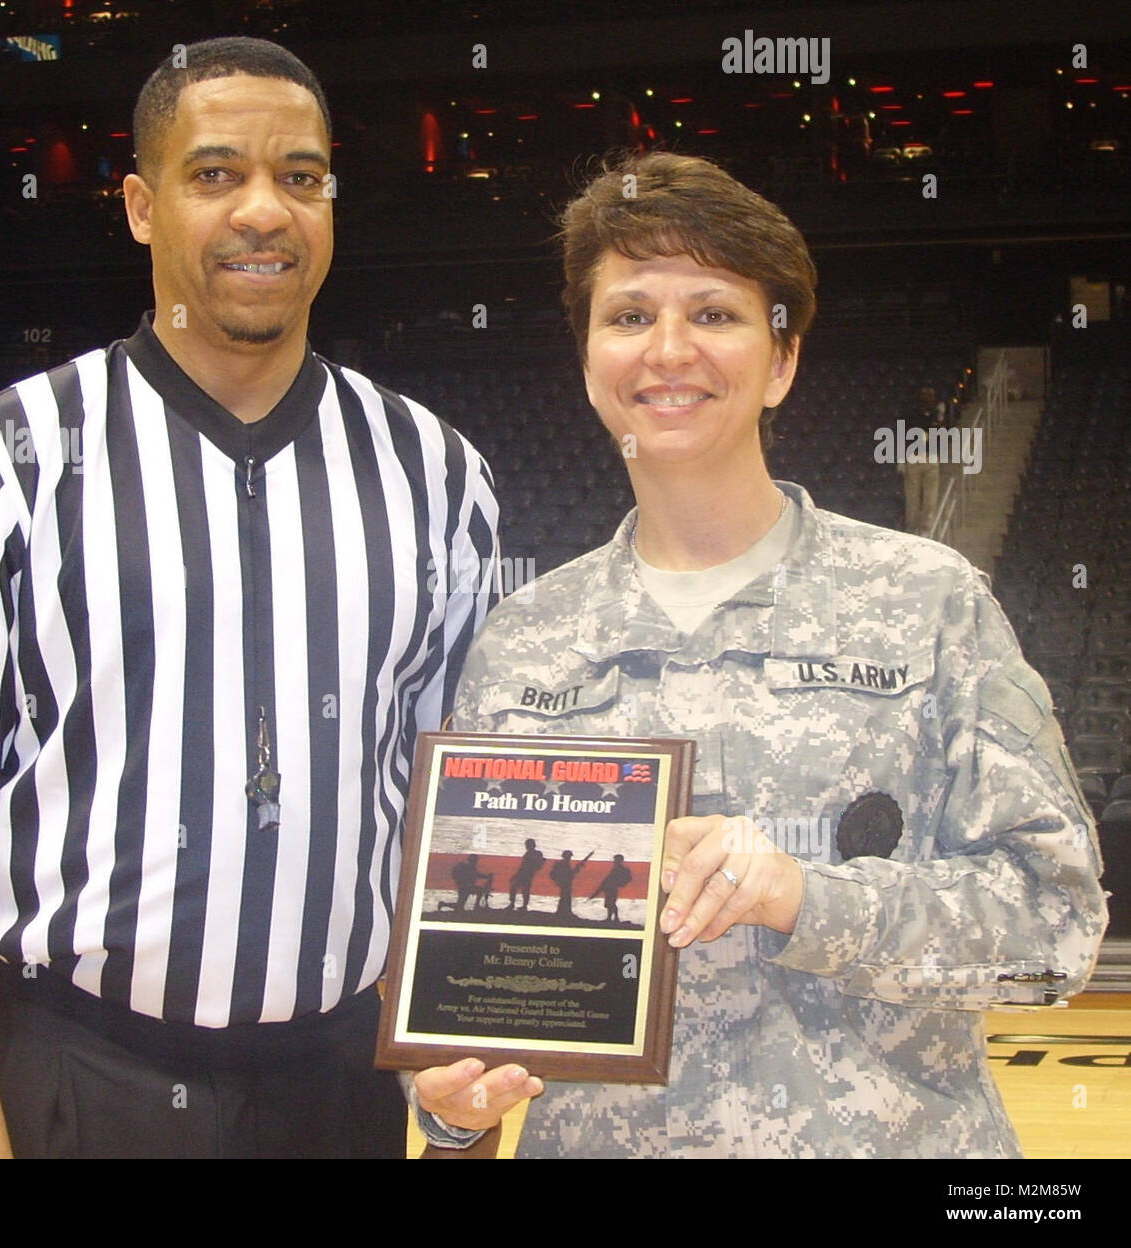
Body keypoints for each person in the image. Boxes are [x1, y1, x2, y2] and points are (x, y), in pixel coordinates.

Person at [0, 38, 502, 1159]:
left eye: (301, 176)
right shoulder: (2, 457)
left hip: (338, 1080)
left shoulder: (438, 472)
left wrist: (455, 1124)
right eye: (215, 175)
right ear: (143, 207)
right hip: (75, 1070)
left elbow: (462, 812)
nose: (265, 210)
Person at [414, 151, 1106, 1157]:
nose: (667, 350)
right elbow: (483, 1006)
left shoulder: (929, 605)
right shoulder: (522, 640)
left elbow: (1052, 937)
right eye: (629, 315)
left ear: (781, 360)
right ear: (587, 357)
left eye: (714, 313)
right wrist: (453, 1112)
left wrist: (802, 897)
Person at [901, 383, 950, 535]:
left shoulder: (937, 416)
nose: (928, 399)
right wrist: (902, 459)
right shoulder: (910, 415)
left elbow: (943, 436)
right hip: (914, 457)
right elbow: (902, 437)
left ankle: (926, 528)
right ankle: (912, 527)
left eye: (931, 397)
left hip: (931, 458)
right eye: (925, 396)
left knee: (930, 497)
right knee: (912, 497)